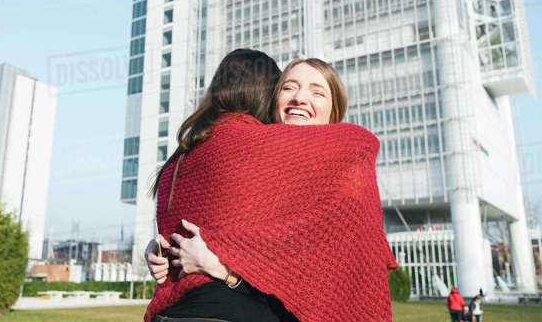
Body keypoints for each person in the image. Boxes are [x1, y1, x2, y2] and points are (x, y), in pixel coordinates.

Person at [146, 57, 397, 322]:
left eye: (317, 91)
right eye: (289, 87)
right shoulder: (250, 161)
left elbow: (322, 264)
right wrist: (162, 248)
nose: (300, 97)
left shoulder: (345, 168)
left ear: (334, 108)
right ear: (270, 99)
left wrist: (223, 266)